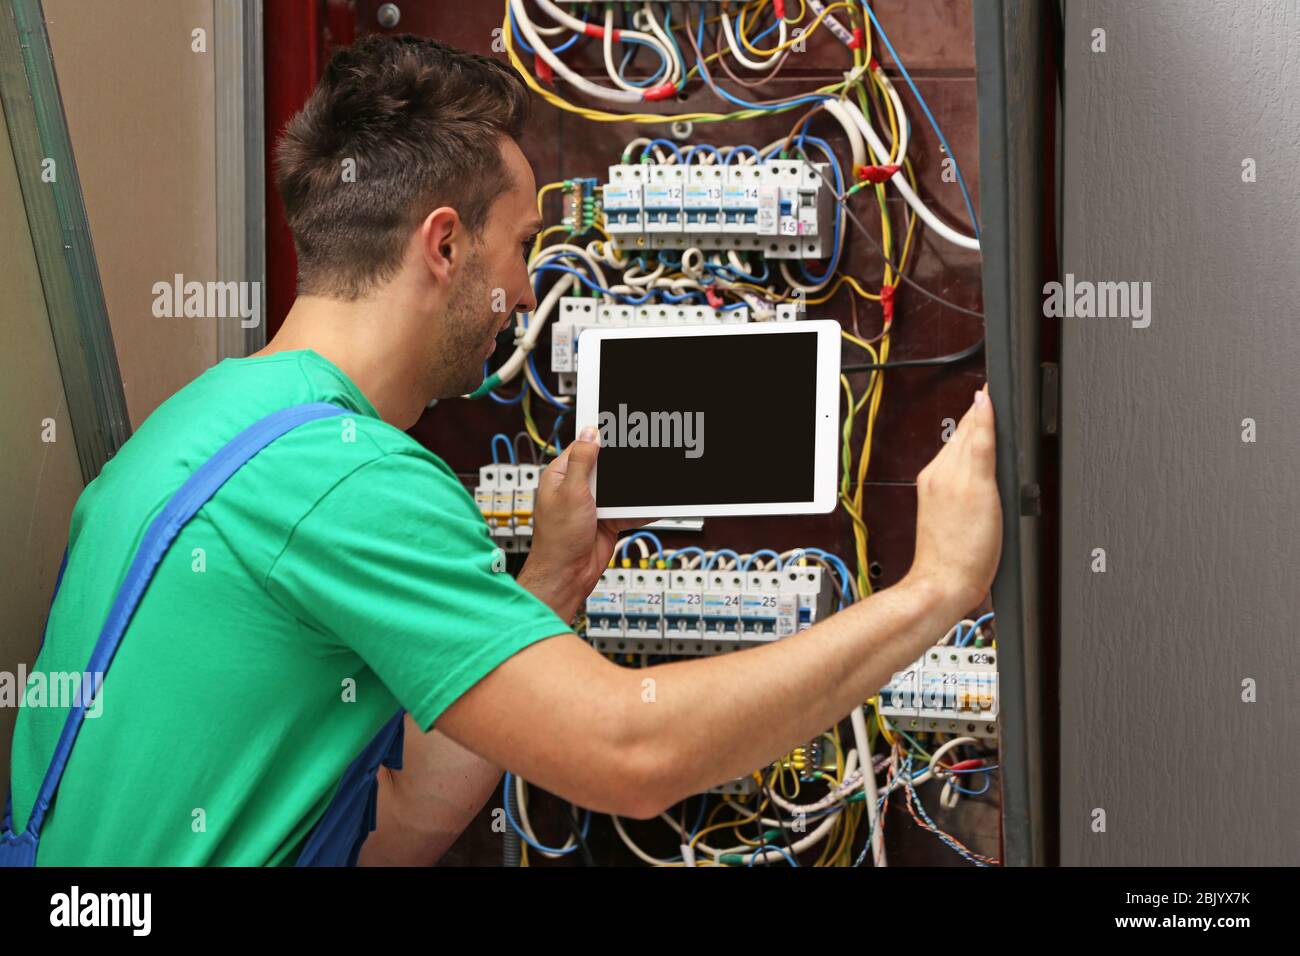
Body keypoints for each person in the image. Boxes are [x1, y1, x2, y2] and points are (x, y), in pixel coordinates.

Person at [7, 34, 1000, 866]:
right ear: (443, 246)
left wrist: (556, 576)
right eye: (520, 243)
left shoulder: (194, 428)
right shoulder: (347, 478)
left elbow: (392, 826)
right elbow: (632, 751)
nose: (528, 291)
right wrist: (933, 591)